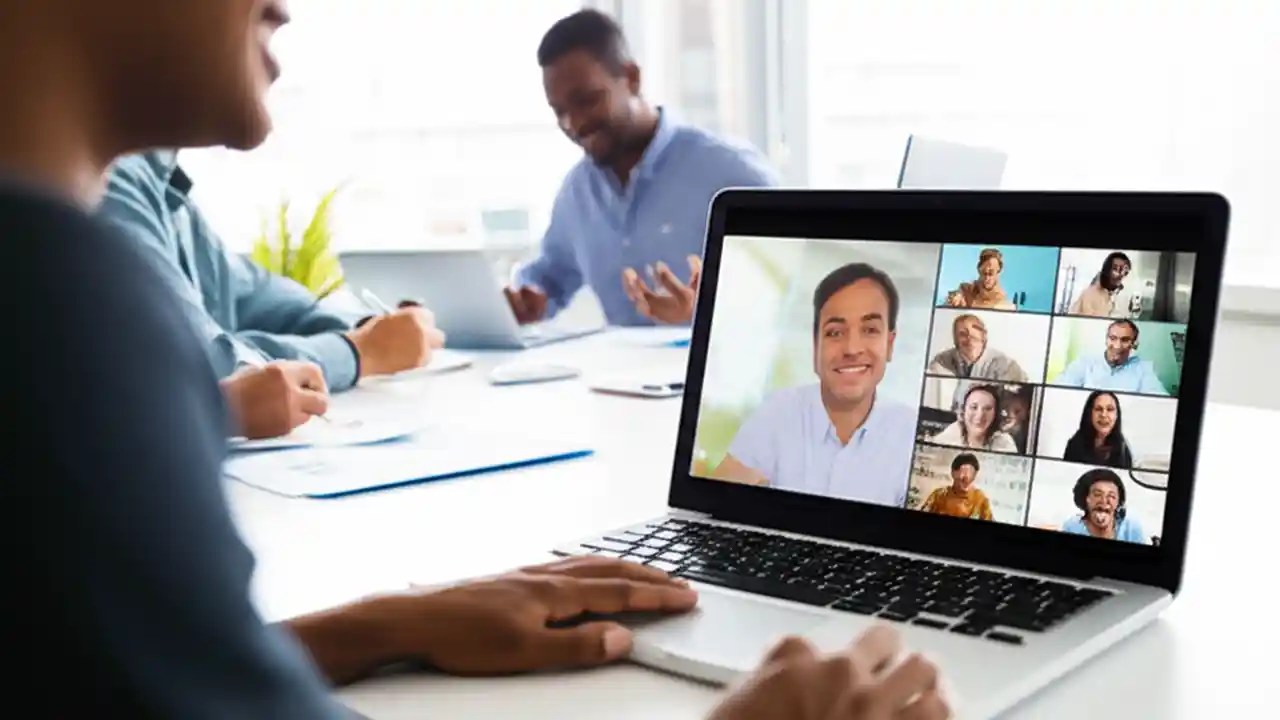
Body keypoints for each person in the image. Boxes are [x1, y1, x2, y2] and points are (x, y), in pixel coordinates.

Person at [0, 2, 949, 717]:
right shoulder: (56, 309)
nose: (285, 5)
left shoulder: (62, 284)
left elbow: (129, 675)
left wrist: (392, 621)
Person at [504, 9, 778, 328]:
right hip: (614, 376)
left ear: (632, 78)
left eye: (587, 100)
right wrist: (527, 296)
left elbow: (797, 290)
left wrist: (709, 316)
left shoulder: (730, 171)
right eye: (559, 111)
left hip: (715, 371)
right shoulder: (577, 194)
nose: (573, 124)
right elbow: (550, 275)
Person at [100, 149, 445, 396]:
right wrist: (360, 353)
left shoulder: (163, 186)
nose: (271, 43)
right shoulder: (112, 180)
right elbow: (203, 364)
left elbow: (255, 296)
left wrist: (369, 330)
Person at [711, 263, 919, 507]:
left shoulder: (911, 435)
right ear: (815, 344)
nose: (852, 349)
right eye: (834, 333)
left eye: (870, 330)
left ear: (890, 344)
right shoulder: (779, 412)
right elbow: (714, 506)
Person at [1054, 319, 1168, 395]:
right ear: (1106, 340)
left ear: (1134, 344)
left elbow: (1160, 401)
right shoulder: (1085, 362)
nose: (1117, 346)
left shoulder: (1144, 369)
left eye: (1125, 340)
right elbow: (1058, 390)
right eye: (1113, 338)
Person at [1061, 469, 1148, 543]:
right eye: (1097, 494)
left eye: (1111, 496)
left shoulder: (1131, 527)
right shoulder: (1071, 527)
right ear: (1086, 499)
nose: (1104, 501)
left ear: (1118, 502)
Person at [928, 384, 1019, 453]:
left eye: (987, 409)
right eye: (974, 407)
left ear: (995, 414)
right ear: (963, 411)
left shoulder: (1004, 443)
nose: (980, 415)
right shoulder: (950, 435)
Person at [1062, 391, 1135, 468]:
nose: (1103, 414)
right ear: (1090, 414)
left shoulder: (1123, 450)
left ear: (1117, 416)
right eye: (1098, 409)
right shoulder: (1075, 445)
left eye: (1110, 409)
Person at [920, 453, 994, 521]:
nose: (966, 480)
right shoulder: (939, 495)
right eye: (962, 479)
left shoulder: (980, 499)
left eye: (970, 478)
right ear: (953, 473)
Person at [944, 248, 1016, 310]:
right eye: (984, 273)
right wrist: (953, 300)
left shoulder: (1004, 304)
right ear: (979, 269)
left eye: (991, 273)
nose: (987, 278)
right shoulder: (965, 291)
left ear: (999, 272)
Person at [1068, 251, 1134, 318]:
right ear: (1107, 270)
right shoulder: (1088, 294)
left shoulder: (1124, 298)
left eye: (1125, 271)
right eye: (1116, 269)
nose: (1121, 274)